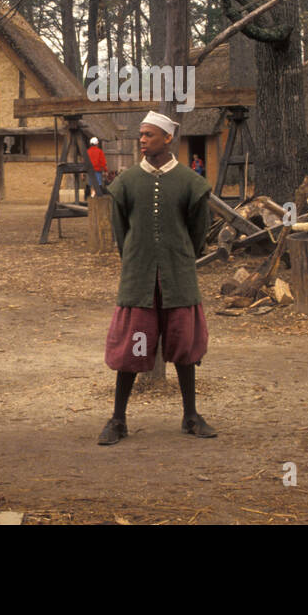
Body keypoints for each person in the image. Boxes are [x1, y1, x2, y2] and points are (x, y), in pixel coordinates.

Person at [98, 111, 215, 445]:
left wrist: (177, 260)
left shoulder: (191, 184)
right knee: (131, 352)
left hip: (179, 280)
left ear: (167, 139)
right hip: (139, 282)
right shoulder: (126, 183)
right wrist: (140, 261)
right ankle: (118, 420)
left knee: (185, 349)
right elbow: (122, 235)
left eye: (149, 135)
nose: (143, 140)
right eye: (142, 135)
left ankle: (191, 416)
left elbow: (197, 236)